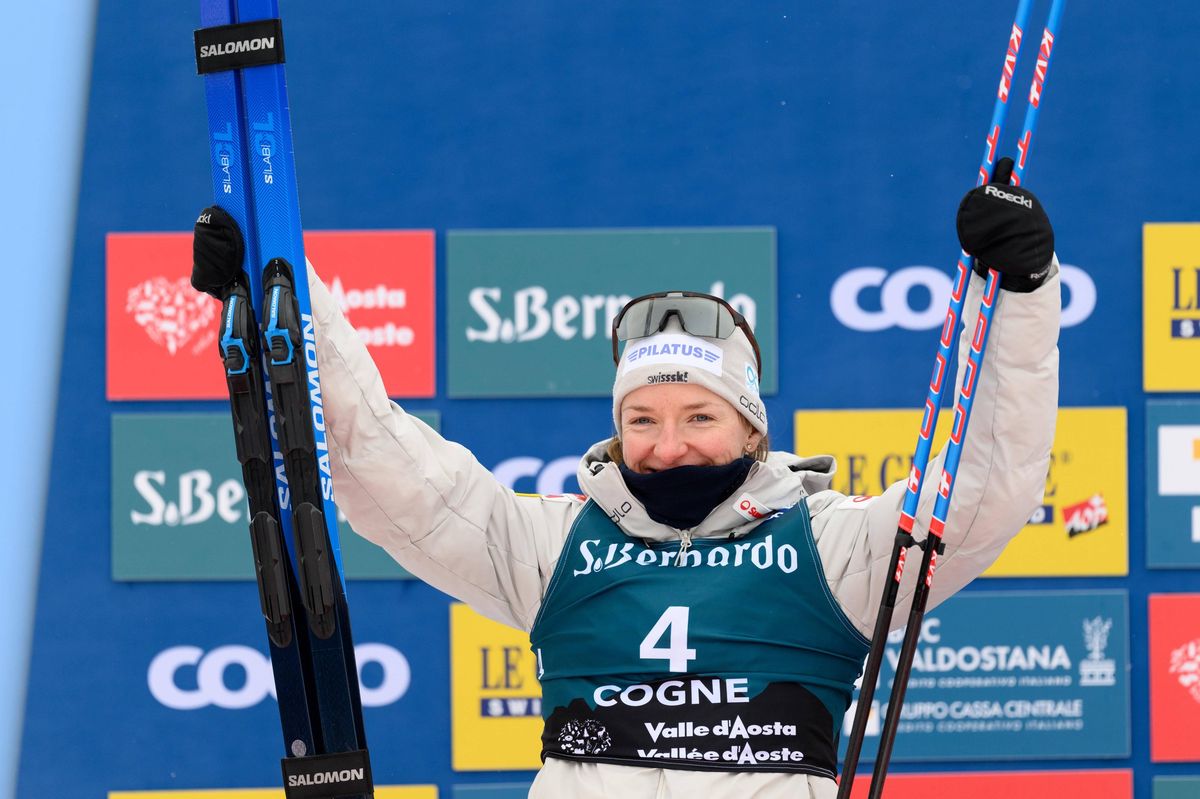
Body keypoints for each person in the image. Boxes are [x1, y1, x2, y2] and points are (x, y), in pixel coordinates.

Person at [192, 156, 1059, 798]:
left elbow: (984, 488)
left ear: (752, 426)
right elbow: (397, 479)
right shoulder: (559, 544)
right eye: (642, 420)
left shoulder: (829, 545)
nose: (667, 446)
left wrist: (1020, 291)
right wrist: (283, 293)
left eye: (699, 417)